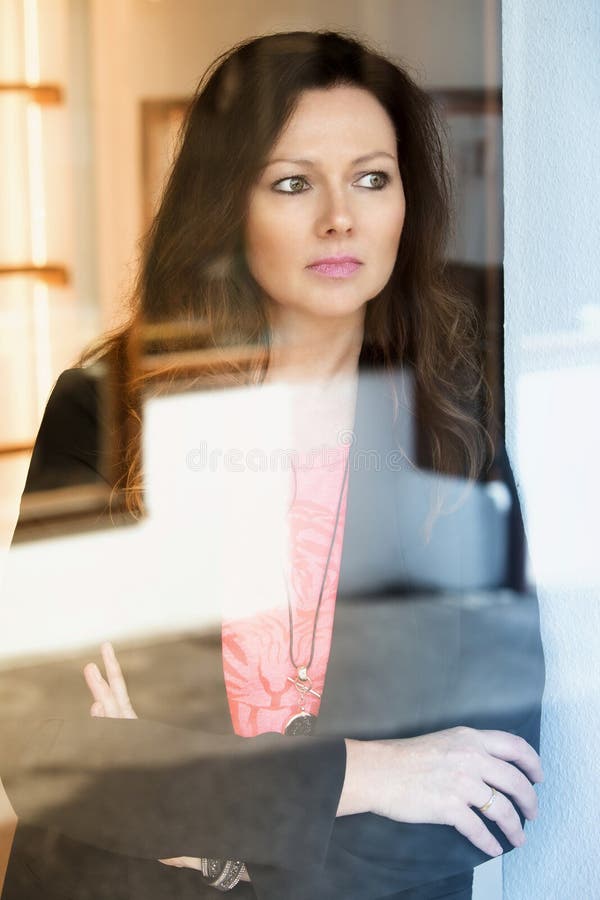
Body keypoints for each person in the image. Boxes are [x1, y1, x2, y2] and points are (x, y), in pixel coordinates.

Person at [1, 30, 545, 900]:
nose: (341, 216)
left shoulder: (455, 428)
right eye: (293, 183)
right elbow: (44, 748)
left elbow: (492, 786)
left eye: (373, 177)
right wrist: (364, 774)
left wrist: (189, 810)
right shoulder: (107, 413)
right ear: (226, 205)